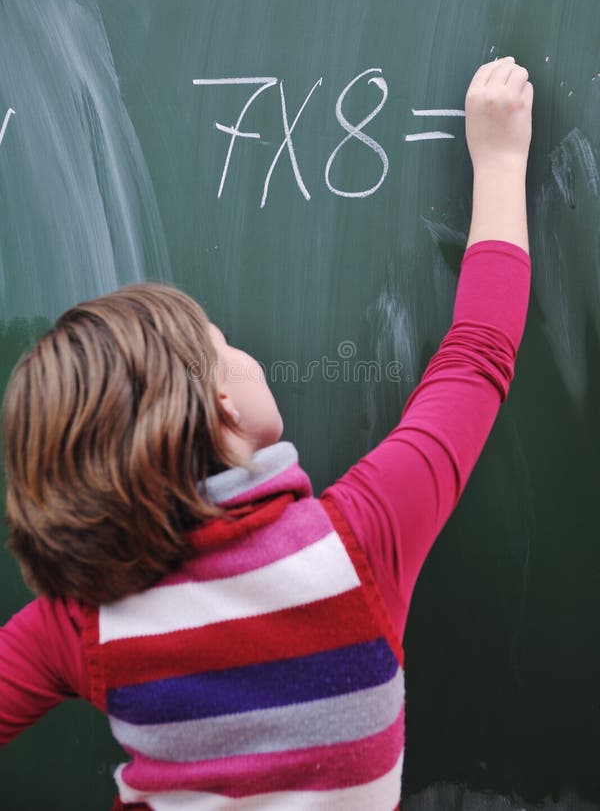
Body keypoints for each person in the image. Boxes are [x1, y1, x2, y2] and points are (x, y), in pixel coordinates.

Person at [0, 56, 533, 810]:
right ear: (222, 403)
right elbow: (478, 355)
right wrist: (502, 158)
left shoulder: (87, 623)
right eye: (223, 340)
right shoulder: (358, 547)